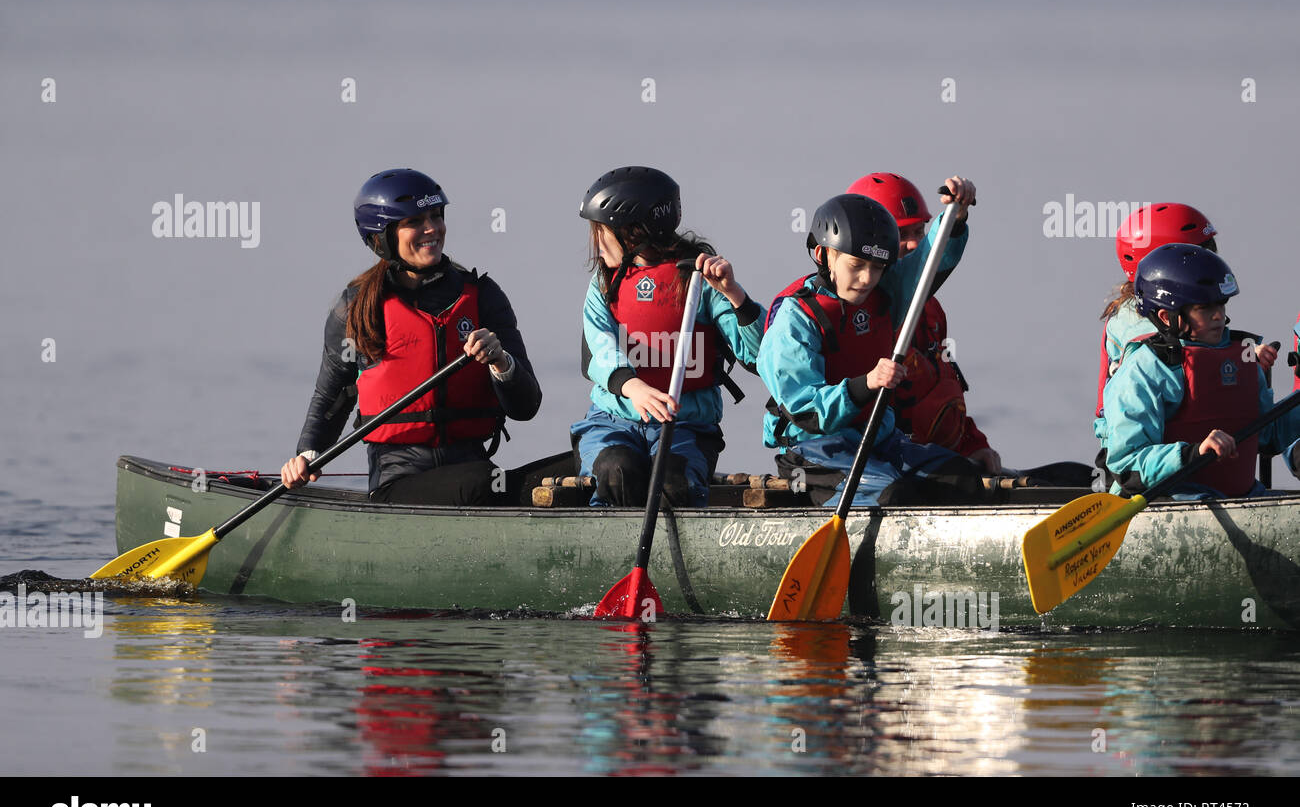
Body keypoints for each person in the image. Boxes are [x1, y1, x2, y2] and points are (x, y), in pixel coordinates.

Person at [279, 168, 542, 505]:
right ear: (383, 235)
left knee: (574, 471)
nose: (432, 228)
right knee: (481, 482)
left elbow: (527, 407)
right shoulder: (356, 309)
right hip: (399, 483)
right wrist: (306, 455)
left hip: (475, 472)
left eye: (436, 216)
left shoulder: (484, 297)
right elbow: (331, 401)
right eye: (415, 221)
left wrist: (502, 363)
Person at [758, 185, 988, 507]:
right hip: (815, 452)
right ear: (824, 255)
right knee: (895, 496)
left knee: (961, 479)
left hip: (880, 439)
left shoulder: (885, 295)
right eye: (857, 265)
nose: (867, 279)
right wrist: (866, 384)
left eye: (877, 267)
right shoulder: (796, 318)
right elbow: (804, 409)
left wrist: (955, 217)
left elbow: (929, 261)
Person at [571, 165, 763, 508]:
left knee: (673, 483)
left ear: (633, 231)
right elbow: (598, 346)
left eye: (601, 231)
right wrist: (634, 387)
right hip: (613, 420)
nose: (594, 242)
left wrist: (735, 296)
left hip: (686, 425)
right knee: (618, 470)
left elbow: (759, 355)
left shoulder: (700, 280)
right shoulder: (604, 284)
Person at [1100, 244, 1300, 500]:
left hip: (1241, 497)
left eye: (1221, 304)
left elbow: (1267, 436)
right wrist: (1192, 453)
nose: (1219, 315)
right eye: (1204, 308)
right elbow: (1127, 465)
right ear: (1166, 316)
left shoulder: (1242, 355)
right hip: (1169, 501)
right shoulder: (1144, 369)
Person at [847, 172, 1000, 474]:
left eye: (920, 231)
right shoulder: (856, 317)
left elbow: (941, 385)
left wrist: (973, 445)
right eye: (902, 235)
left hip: (943, 462)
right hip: (889, 463)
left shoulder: (930, 311)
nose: (916, 244)